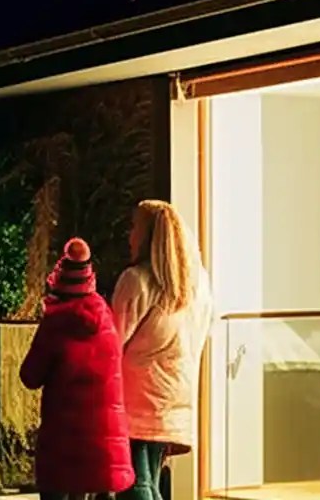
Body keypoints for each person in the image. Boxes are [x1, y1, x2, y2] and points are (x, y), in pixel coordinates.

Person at [112, 200, 213, 500]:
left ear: (147, 235)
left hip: (136, 404)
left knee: (135, 484)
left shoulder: (136, 282)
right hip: (175, 401)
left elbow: (112, 344)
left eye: (134, 227)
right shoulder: (197, 288)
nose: (129, 235)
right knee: (150, 480)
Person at [20, 237, 135, 500]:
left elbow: (30, 376)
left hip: (63, 447)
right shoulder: (107, 319)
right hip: (104, 449)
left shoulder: (56, 323)